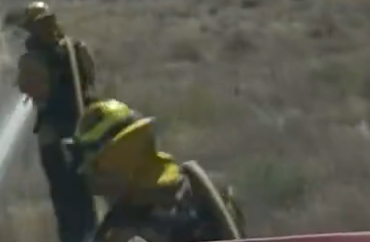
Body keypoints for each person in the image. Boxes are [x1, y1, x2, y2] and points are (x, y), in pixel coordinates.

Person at [62, 98, 246, 242]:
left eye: (97, 163)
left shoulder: (203, 196)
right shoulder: (116, 227)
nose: (91, 175)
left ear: (127, 150)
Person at [6, 1, 99, 242]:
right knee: (85, 194)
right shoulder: (76, 48)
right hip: (86, 131)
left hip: (54, 137)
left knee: (64, 198)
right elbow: (90, 78)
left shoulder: (32, 60)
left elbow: (31, 90)